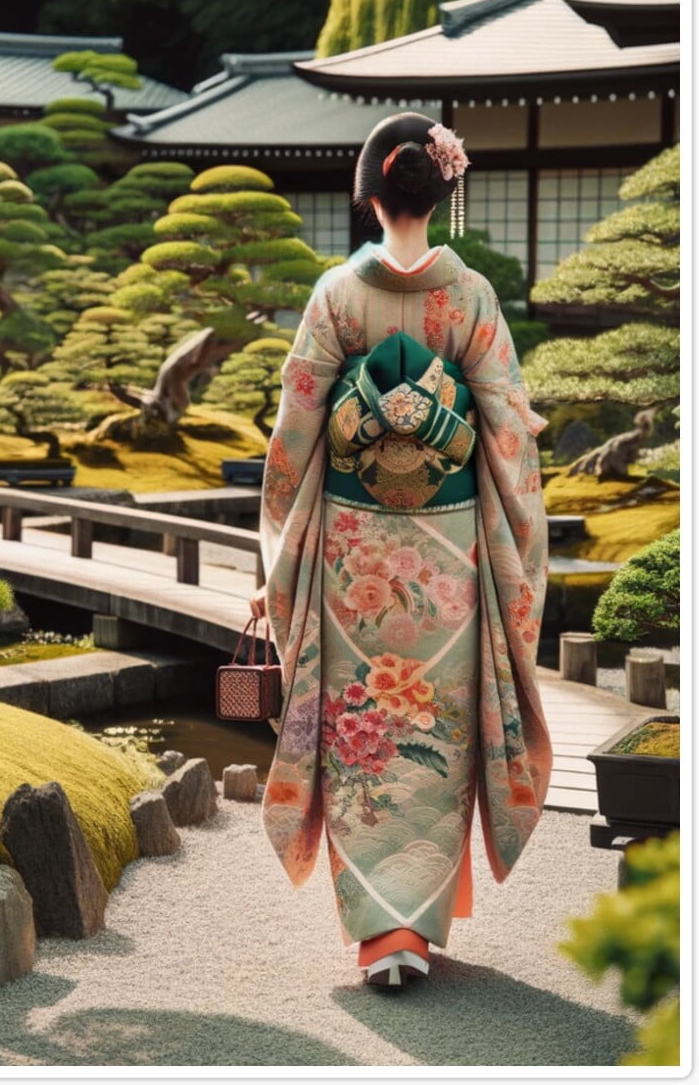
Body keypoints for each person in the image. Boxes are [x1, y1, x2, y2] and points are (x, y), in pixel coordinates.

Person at [249, 111, 552, 988]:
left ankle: (380, 936)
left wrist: (355, 424)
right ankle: (413, 930)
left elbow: (294, 433)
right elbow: (510, 430)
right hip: (449, 554)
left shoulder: (335, 296)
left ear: (370, 195)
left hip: (352, 552)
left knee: (363, 731)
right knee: (435, 725)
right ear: (442, 192)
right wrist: (446, 423)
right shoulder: (473, 298)